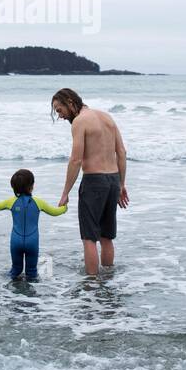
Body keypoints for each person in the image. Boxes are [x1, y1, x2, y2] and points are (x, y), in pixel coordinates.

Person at [51, 88, 129, 276]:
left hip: (94, 182)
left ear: (70, 102)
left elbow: (76, 160)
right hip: (112, 180)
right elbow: (122, 152)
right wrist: (121, 184)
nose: (60, 116)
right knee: (106, 237)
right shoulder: (106, 117)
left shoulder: (79, 122)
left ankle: (92, 286)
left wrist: (65, 192)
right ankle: (108, 281)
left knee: (89, 239)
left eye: (59, 110)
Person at [0, 169, 67, 280]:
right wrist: (64, 207)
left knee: (15, 270)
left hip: (16, 241)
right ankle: (31, 296)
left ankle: (10, 294)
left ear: (13, 187)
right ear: (32, 185)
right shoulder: (39, 202)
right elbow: (55, 212)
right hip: (32, 242)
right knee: (32, 272)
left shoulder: (11, 201)